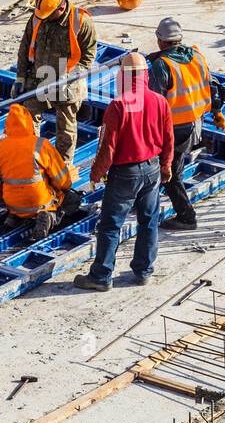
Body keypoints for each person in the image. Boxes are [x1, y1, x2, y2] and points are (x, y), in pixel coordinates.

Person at [73, 52, 173, 291]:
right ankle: (143, 270)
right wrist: (166, 165)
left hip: (125, 174)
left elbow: (107, 145)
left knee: (110, 225)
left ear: (123, 76)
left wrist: (96, 174)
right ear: (145, 75)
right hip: (151, 170)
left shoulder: (118, 105)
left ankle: (100, 276)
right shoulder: (160, 101)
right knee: (148, 222)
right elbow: (168, 139)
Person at [147, 17, 225, 231]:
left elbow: (155, 103)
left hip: (174, 129)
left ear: (161, 41)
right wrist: (218, 112)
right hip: (195, 124)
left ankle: (186, 216)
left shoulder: (161, 65)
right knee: (173, 169)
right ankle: (149, 203)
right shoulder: (197, 56)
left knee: (169, 173)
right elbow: (213, 87)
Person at [13, 0, 97, 171]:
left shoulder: (81, 21)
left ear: (60, 8)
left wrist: (70, 76)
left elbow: (89, 56)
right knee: (28, 116)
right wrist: (20, 78)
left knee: (65, 126)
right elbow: (25, 48)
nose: (45, 20)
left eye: (50, 16)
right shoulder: (39, 17)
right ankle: (32, 161)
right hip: (39, 78)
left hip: (67, 83)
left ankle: (62, 168)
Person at [0, 104, 81, 241]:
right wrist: (64, 189)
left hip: (13, 204)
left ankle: (14, 217)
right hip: (40, 203)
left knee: (19, 198)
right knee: (73, 201)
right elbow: (62, 180)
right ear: (30, 123)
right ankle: (50, 217)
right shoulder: (41, 145)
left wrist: (4, 199)